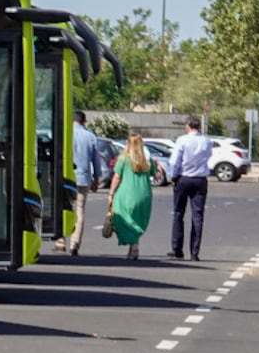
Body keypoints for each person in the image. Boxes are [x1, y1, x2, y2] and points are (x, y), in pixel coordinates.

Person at [167, 115, 212, 260]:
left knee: (178, 213)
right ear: (199, 127)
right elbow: (208, 157)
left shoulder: (182, 140)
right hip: (200, 179)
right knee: (197, 216)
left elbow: (175, 161)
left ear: (187, 127)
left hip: (184, 178)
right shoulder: (207, 141)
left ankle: (177, 248)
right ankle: (194, 252)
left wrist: (172, 176)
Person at [107, 128, 156, 259]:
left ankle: (133, 246)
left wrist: (111, 193)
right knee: (137, 220)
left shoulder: (123, 159)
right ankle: (134, 247)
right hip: (144, 195)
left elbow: (117, 177)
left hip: (126, 194)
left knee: (122, 217)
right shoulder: (147, 160)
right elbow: (156, 175)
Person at [67, 109, 107, 255]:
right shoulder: (90, 136)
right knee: (80, 210)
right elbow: (96, 160)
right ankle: (74, 243)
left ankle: (59, 240)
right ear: (84, 121)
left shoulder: (65, 133)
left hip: (65, 177)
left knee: (64, 208)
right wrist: (97, 178)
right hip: (83, 178)